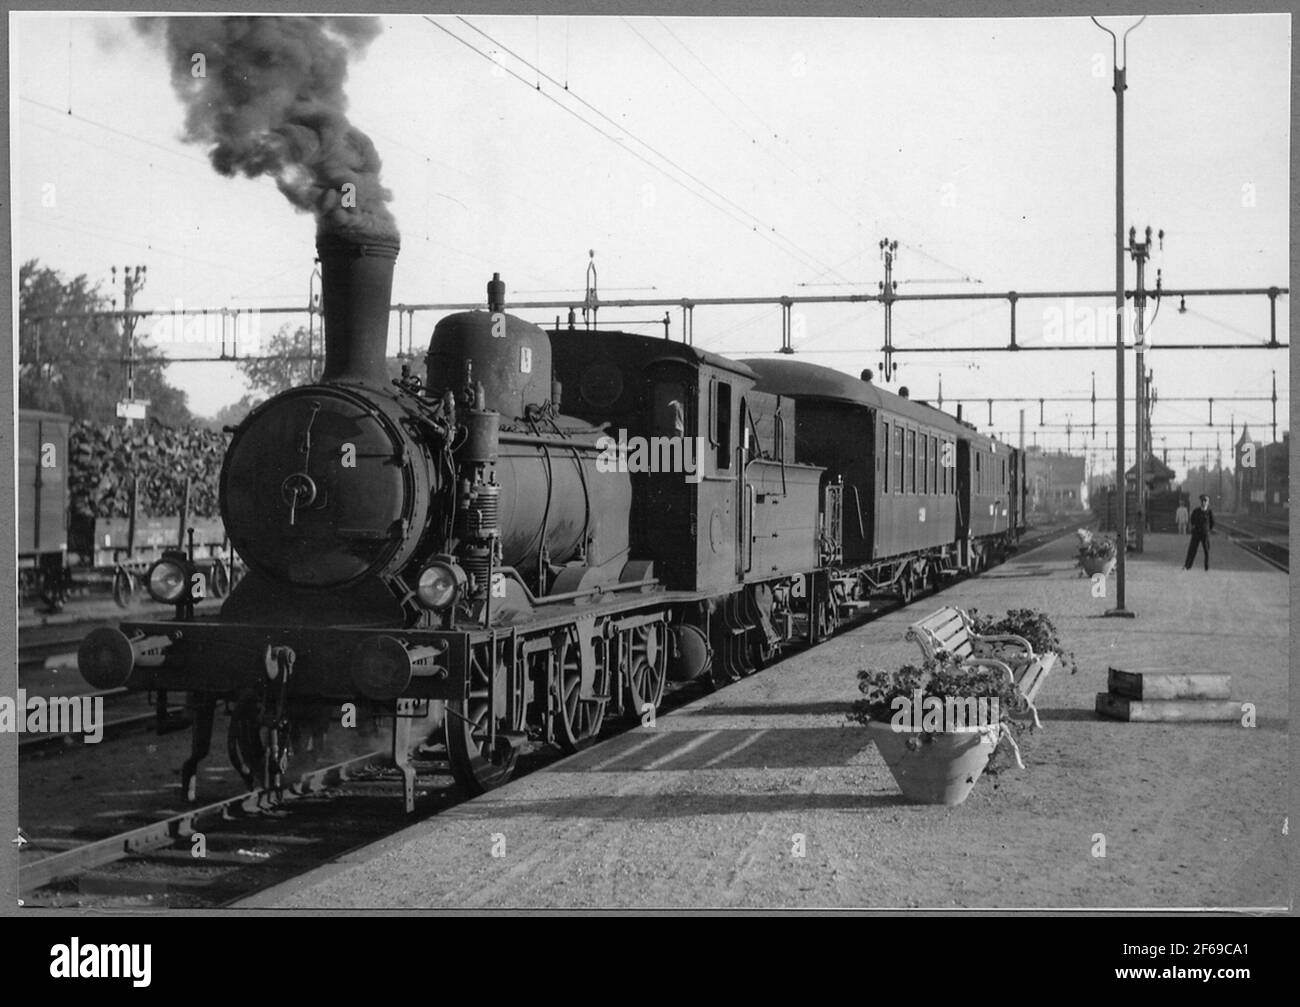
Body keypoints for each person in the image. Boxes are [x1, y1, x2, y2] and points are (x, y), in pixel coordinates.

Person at [1184, 495, 1214, 570]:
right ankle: (1187, 566)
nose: (1204, 503)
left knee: (1206, 551)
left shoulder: (1209, 512)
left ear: (1208, 503)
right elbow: (1192, 519)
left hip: (1205, 534)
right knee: (1192, 550)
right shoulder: (1196, 511)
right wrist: (1194, 527)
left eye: (1205, 501)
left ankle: (1206, 567)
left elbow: (1212, 522)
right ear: (1201, 502)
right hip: (1196, 534)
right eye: (1202, 501)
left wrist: (1207, 530)